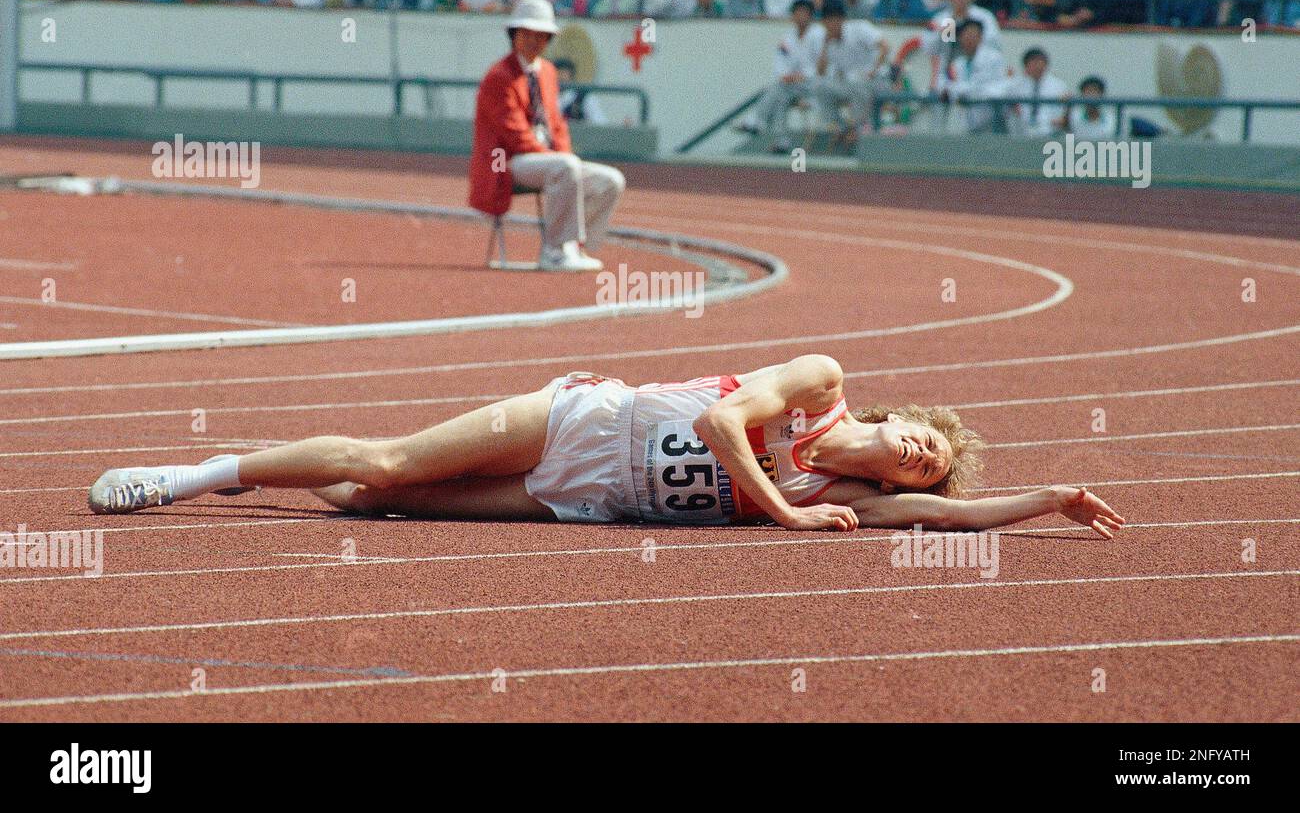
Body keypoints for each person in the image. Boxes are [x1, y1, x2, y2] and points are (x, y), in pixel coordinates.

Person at [87, 354, 1125, 539]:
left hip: (589, 502)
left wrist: (1049, 495)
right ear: (911, 418)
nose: (911, 462)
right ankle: (189, 474)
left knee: (376, 505)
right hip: (588, 419)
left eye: (918, 468)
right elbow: (723, 421)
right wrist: (786, 508)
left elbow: (955, 515)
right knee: (392, 460)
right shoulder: (821, 385)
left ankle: (273, 485)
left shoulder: (853, 491)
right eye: (919, 444)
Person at [469, 0, 626, 272]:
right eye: (527, 34)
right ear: (514, 35)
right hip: (505, 162)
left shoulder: (548, 71)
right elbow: (514, 134)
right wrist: (561, 160)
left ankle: (573, 246)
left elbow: (556, 124)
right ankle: (554, 251)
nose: (535, 40)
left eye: (542, 35)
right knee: (565, 166)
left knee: (610, 180)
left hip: (544, 159)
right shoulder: (499, 76)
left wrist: (563, 155)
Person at [738, 0, 826, 153]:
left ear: (811, 15)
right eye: (798, 13)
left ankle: (757, 120)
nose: (801, 16)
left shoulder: (818, 34)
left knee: (780, 89)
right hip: (793, 85)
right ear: (792, 15)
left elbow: (822, 64)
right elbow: (780, 61)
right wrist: (786, 76)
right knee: (781, 95)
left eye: (805, 13)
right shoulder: (788, 37)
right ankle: (781, 139)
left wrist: (801, 76)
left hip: (815, 84)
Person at [813, 0, 890, 145]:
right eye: (827, 21)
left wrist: (873, 71)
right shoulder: (827, 40)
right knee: (818, 85)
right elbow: (820, 73)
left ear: (841, 19)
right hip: (852, 84)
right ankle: (838, 128)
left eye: (834, 20)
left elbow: (885, 46)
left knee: (857, 83)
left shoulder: (859, 28)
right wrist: (825, 45)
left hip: (877, 80)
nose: (831, 25)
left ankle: (856, 130)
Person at [1006, 47, 1068, 136]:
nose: (1038, 66)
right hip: (1022, 134)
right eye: (1034, 62)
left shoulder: (1059, 86)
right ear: (1026, 65)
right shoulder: (1016, 85)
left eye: (1041, 62)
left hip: (1050, 135)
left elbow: (1062, 115)